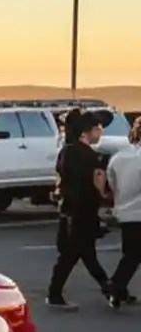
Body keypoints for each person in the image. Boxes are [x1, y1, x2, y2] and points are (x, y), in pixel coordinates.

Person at [47, 109, 111, 310]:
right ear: (86, 132)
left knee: (80, 255)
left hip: (70, 210)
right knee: (74, 255)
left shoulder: (66, 152)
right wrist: (105, 195)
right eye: (97, 128)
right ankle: (112, 289)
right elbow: (96, 185)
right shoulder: (89, 156)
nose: (100, 132)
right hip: (82, 212)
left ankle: (112, 289)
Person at [106, 116, 141, 308]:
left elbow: (112, 184)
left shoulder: (119, 157)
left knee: (131, 253)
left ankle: (118, 290)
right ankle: (116, 285)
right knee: (133, 255)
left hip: (125, 211)